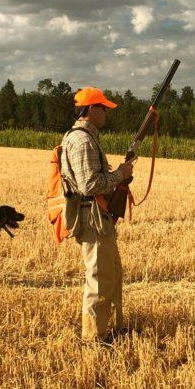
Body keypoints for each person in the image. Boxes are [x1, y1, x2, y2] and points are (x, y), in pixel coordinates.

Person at [61, 87, 134, 342]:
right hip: (91, 216)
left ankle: (110, 326)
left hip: (98, 215)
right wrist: (120, 175)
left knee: (112, 272)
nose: (106, 113)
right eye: (102, 108)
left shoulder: (88, 138)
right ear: (91, 109)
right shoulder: (81, 141)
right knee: (99, 278)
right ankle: (95, 338)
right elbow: (88, 185)